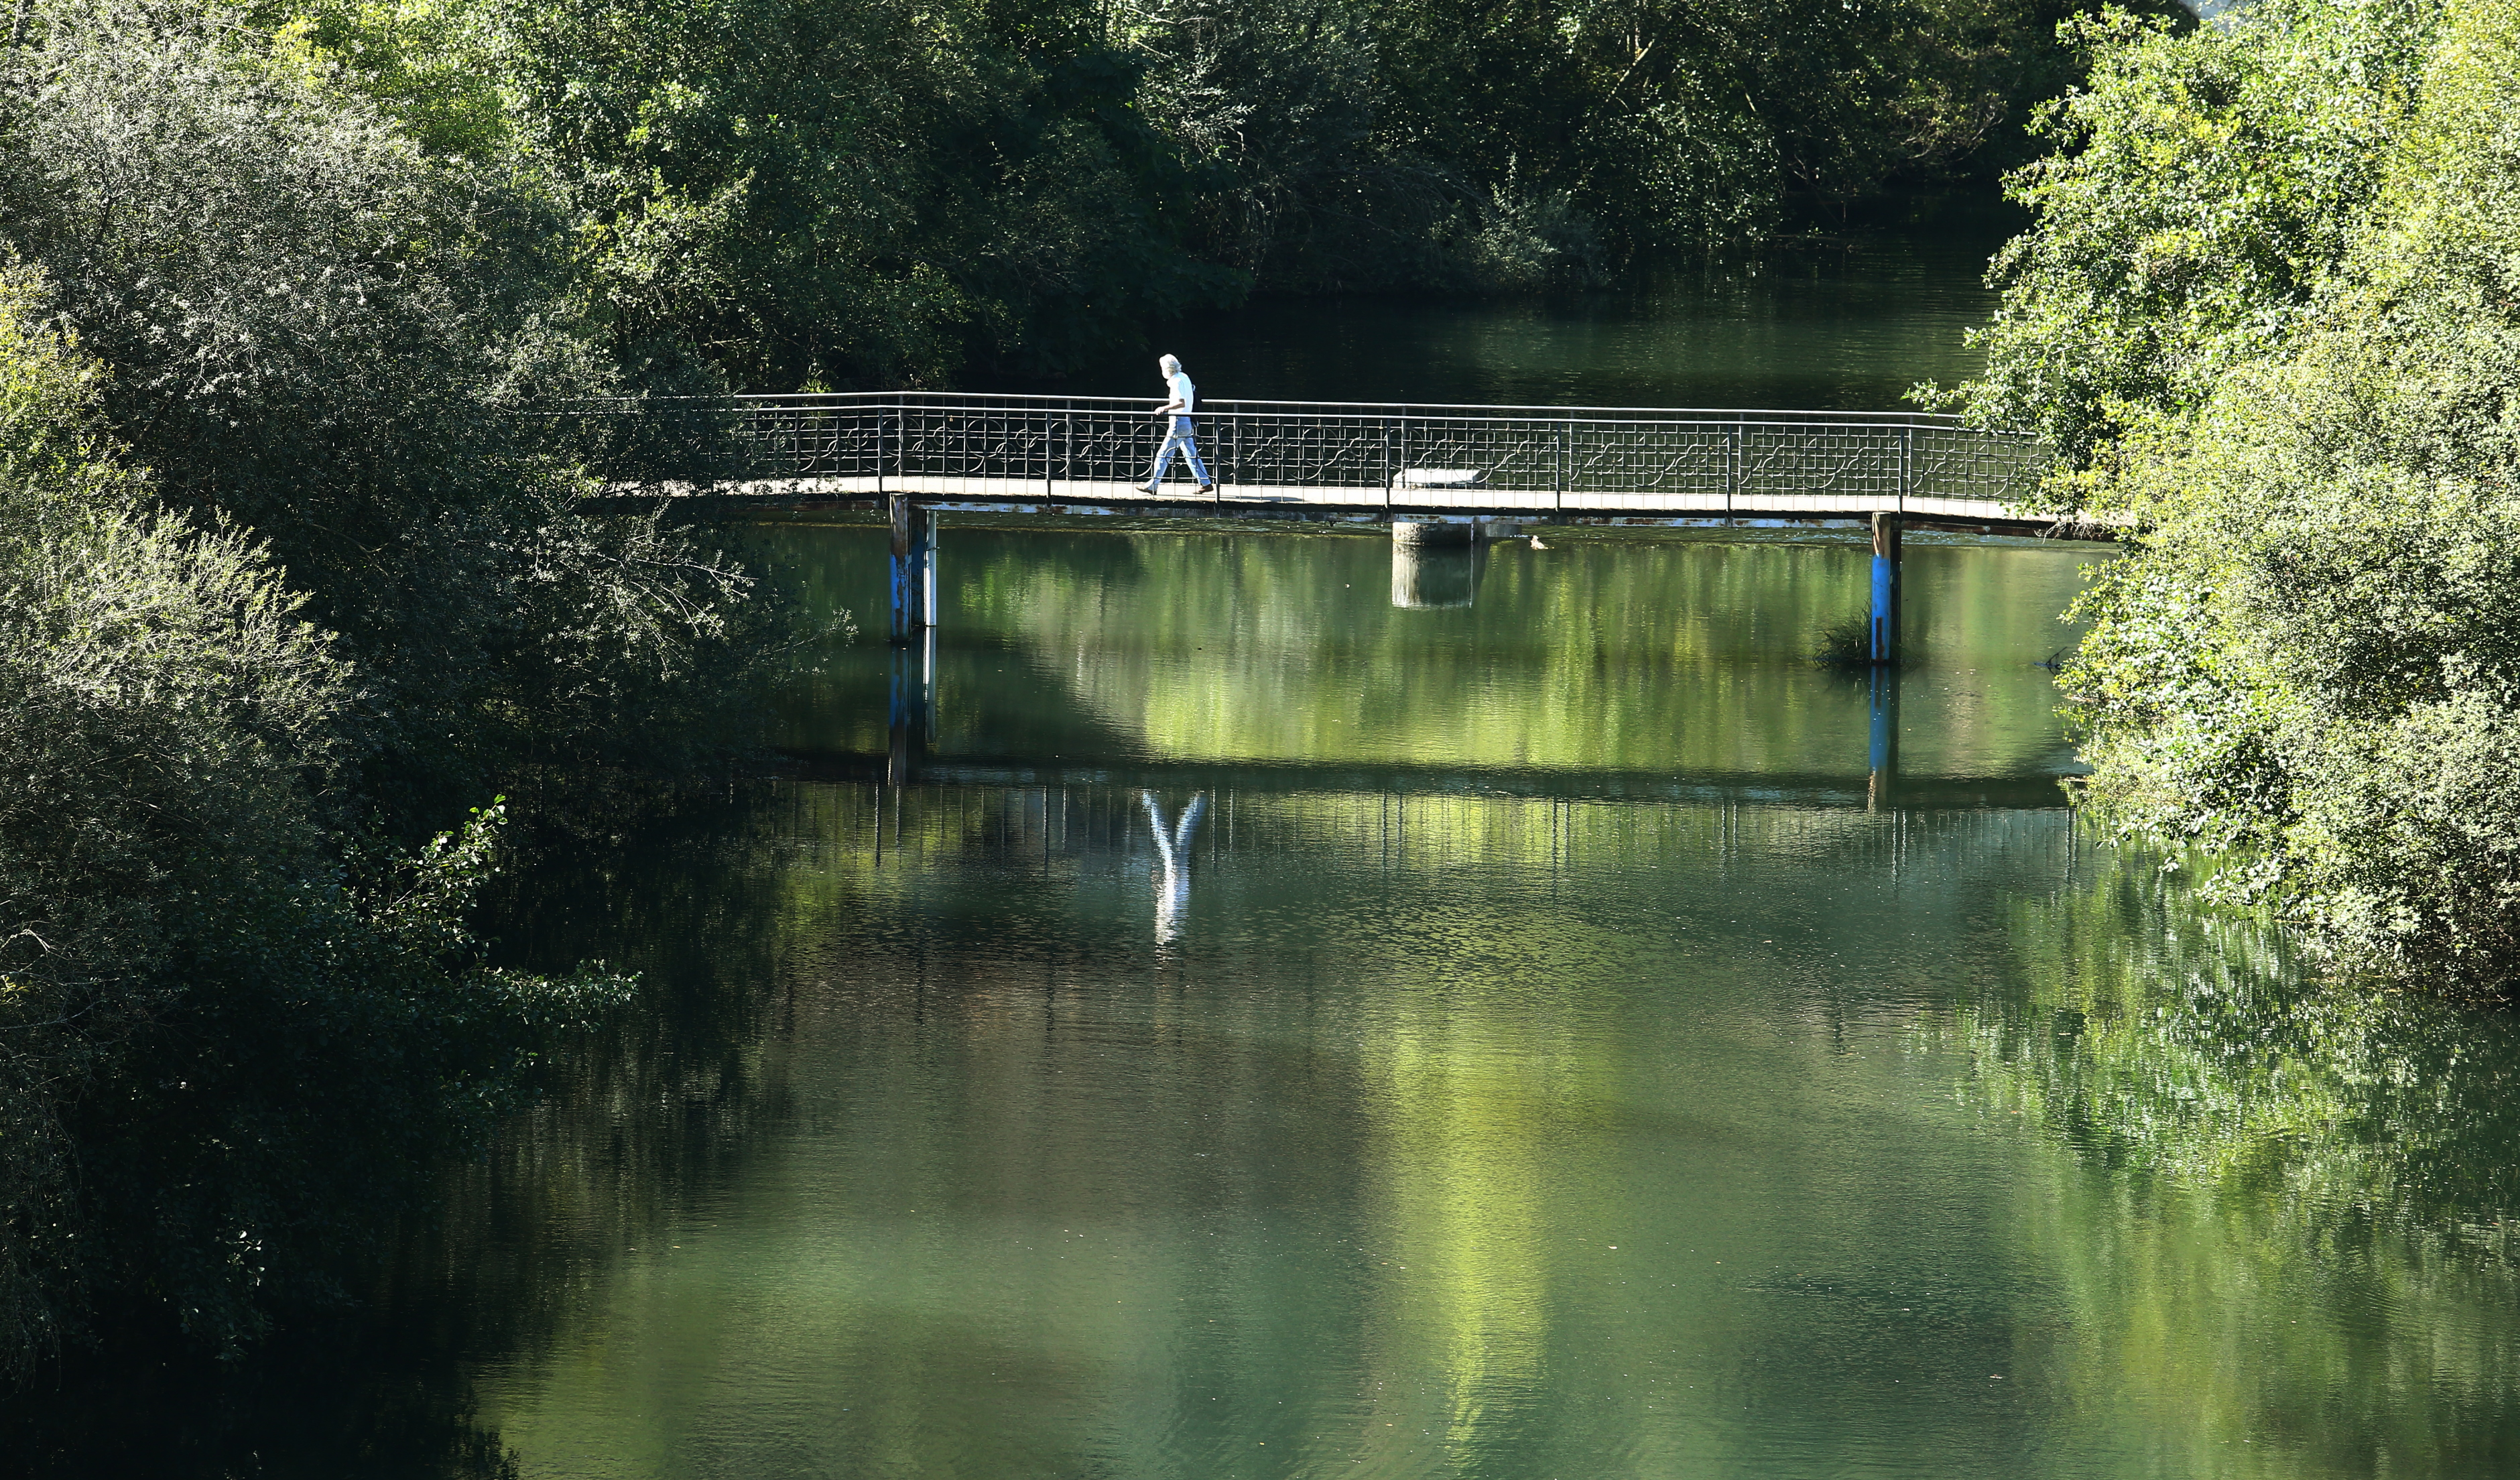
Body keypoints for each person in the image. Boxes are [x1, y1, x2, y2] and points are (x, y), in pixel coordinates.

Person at [1140, 353, 1214, 495]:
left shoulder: (1176, 381)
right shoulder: (1184, 377)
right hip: (1187, 420)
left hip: (1179, 421)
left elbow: (1181, 402)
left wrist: (1164, 408)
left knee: (1163, 454)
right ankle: (1206, 483)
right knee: (1190, 453)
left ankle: (1152, 485)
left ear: (1166, 369)